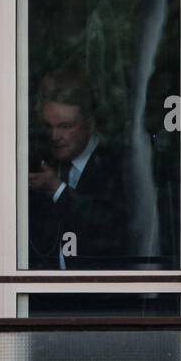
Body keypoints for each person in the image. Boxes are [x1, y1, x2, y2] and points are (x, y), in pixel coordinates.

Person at [26, 70, 131, 270]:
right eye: (48, 126)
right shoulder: (44, 160)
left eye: (65, 126)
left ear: (90, 124)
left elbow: (109, 228)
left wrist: (56, 190)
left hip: (101, 295)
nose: (55, 136)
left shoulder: (115, 164)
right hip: (44, 294)